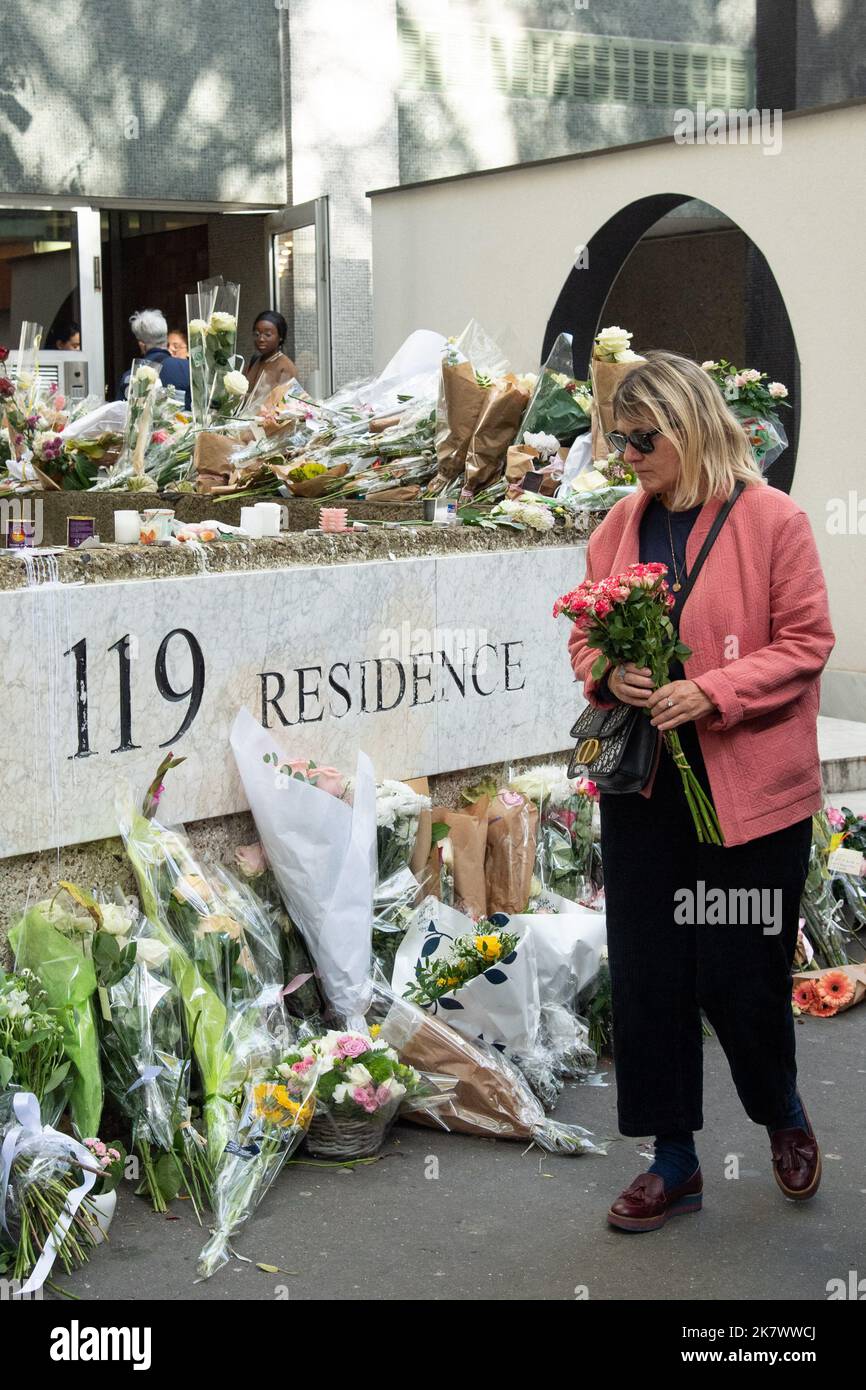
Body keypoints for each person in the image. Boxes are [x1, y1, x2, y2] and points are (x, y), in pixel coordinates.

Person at [567, 350, 834, 1233]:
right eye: (619, 439)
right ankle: (673, 1159)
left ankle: (782, 1116)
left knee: (739, 975)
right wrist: (614, 672)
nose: (628, 454)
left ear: (690, 426)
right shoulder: (618, 525)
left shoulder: (773, 520)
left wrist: (712, 691)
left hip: (750, 790)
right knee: (649, 975)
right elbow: (583, 634)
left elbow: (805, 643)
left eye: (642, 438)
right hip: (648, 791)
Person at [117, 309, 191, 409]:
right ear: (166, 338)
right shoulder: (187, 368)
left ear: (142, 345)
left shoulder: (130, 377)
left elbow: (120, 416)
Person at [245, 311, 298, 399]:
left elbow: (286, 404)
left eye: (267, 335)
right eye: (257, 334)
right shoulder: (256, 360)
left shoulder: (286, 367)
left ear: (280, 337)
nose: (261, 339)